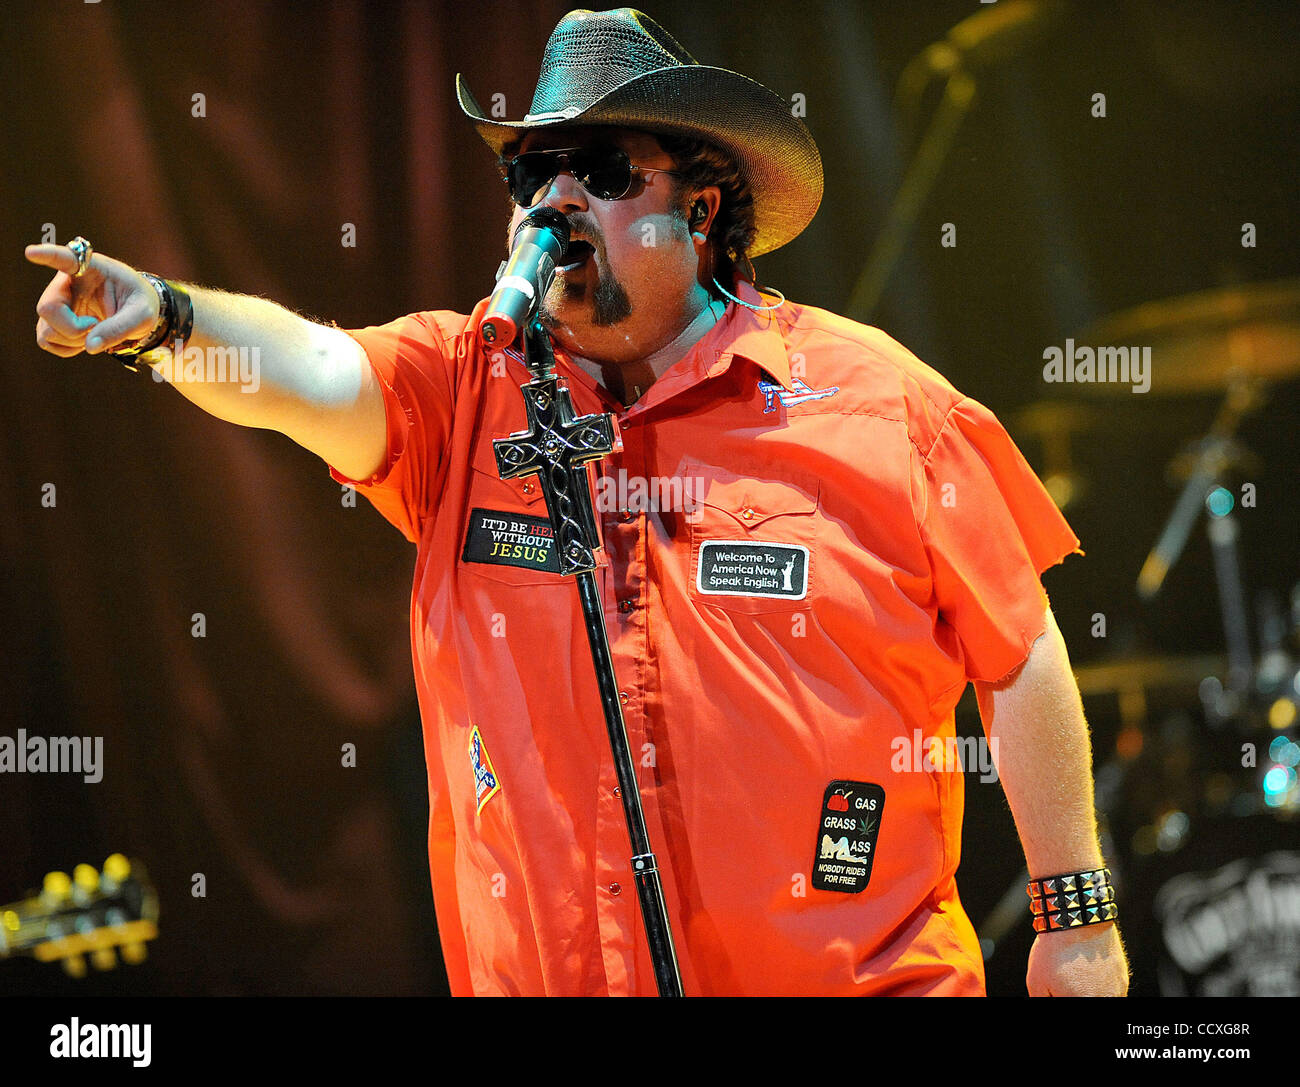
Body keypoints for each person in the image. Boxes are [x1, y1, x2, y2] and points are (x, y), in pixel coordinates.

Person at [25, 8, 1128, 996]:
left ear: (701, 209)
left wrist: (1074, 919)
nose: (555, 199)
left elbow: (1020, 649)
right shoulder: (464, 389)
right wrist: (164, 318)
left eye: (599, 168)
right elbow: (308, 371)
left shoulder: (880, 405)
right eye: (531, 173)